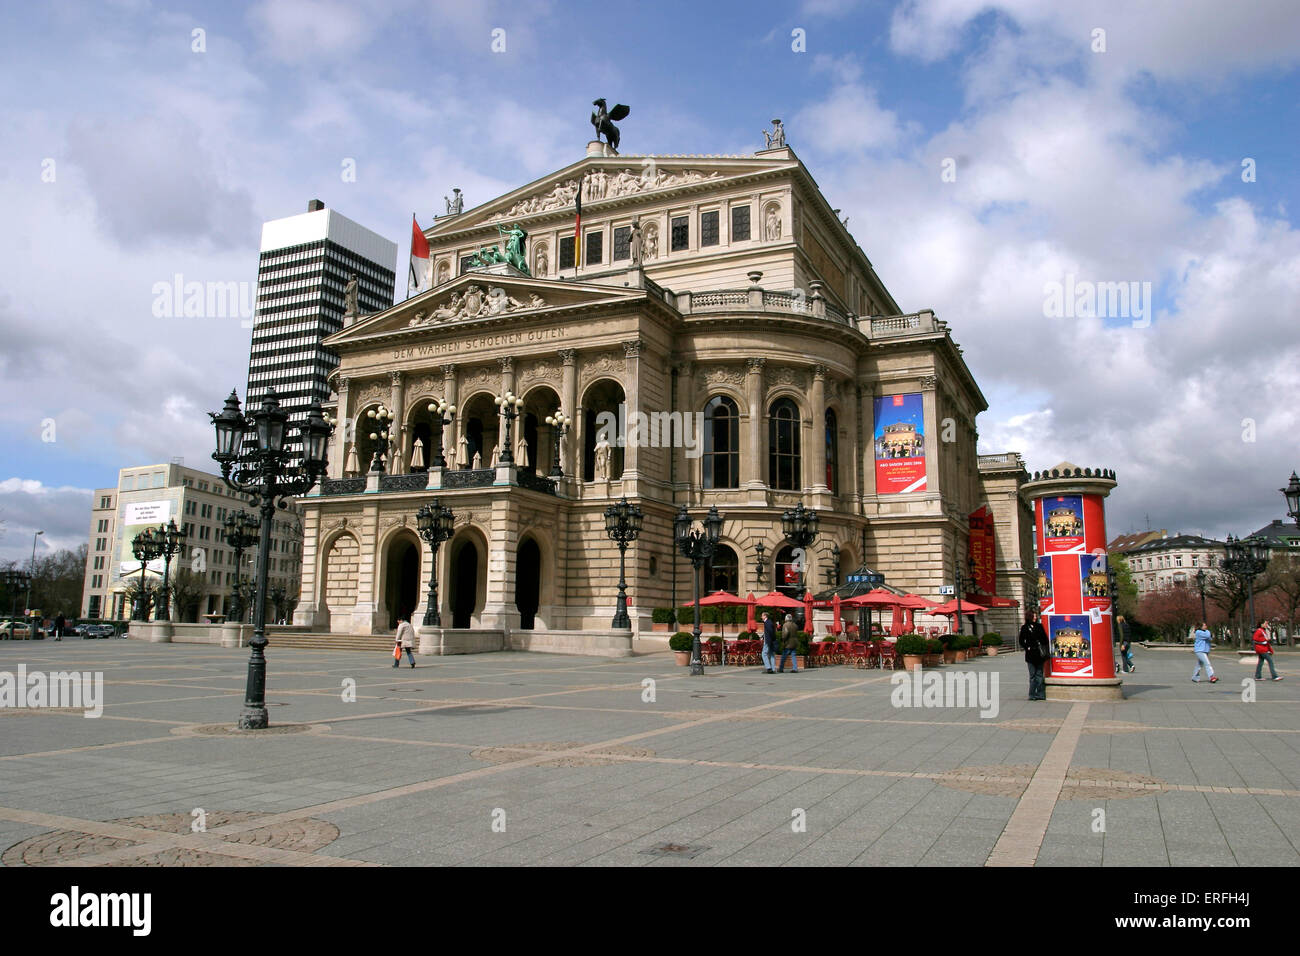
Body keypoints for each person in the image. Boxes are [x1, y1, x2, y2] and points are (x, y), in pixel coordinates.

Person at [1018, 612, 1049, 700]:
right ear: (1030, 617)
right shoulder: (1024, 627)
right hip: (1030, 654)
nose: (1035, 617)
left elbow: (1045, 639)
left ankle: (1040, 694)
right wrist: (1026, 647)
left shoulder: (1039, 626)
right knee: (1032, 675)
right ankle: (1032, 694)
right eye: (1034, 616)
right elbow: (1021, 640)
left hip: (1039, 654)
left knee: (1039, 674)